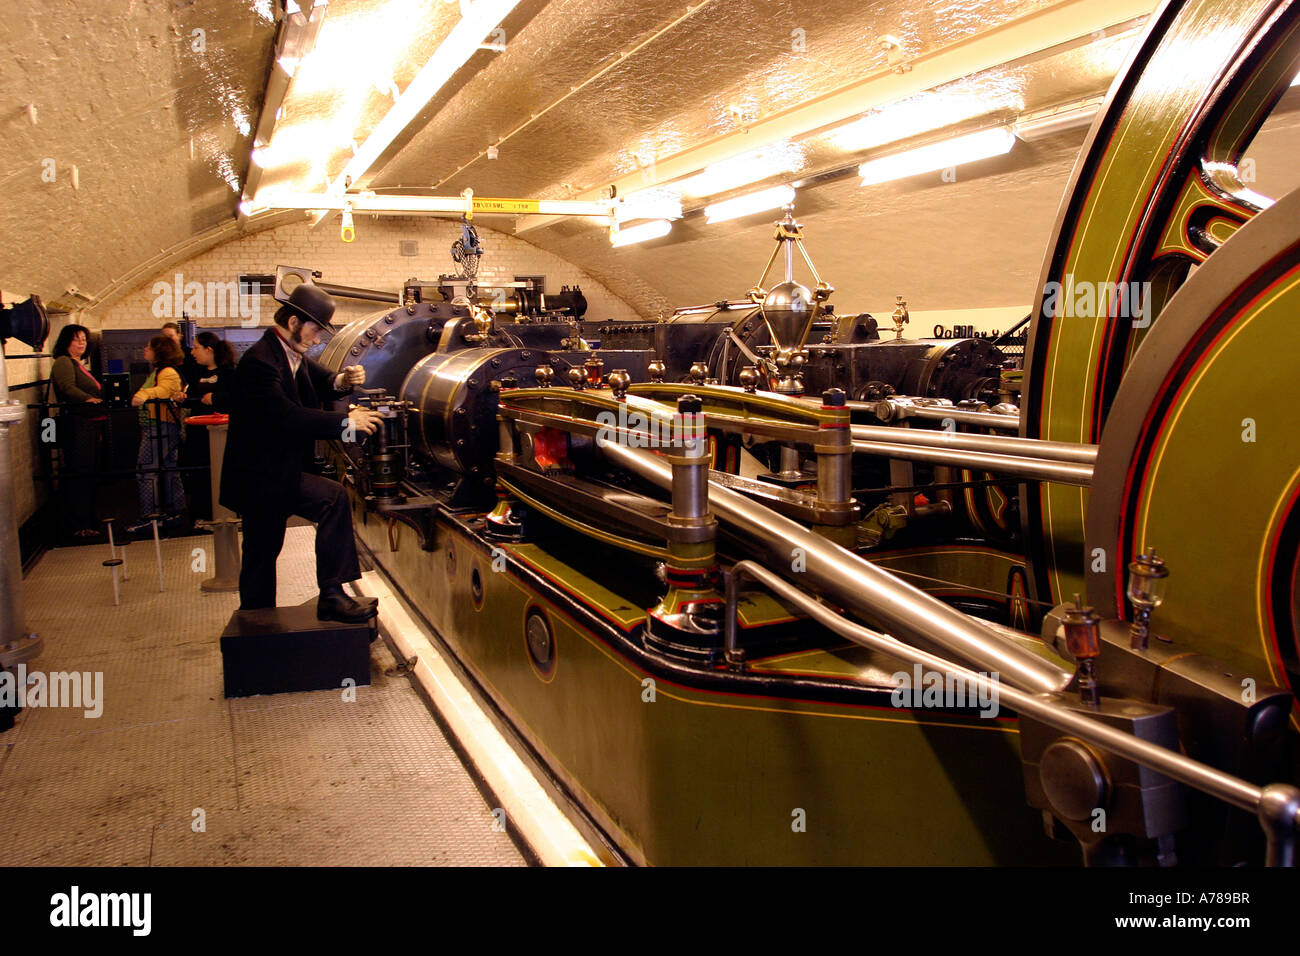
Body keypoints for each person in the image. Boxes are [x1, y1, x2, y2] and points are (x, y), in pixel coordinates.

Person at [219, 284, 384, 623]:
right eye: (314, 329)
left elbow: (320, 380)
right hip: (260, 477)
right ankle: (330, 597)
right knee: (330, 501)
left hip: (273, 473)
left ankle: (258, 620)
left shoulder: (288, 355)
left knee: (261, 555)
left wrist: (343, 379)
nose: (317, 338)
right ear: (294, 321)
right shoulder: (260, 363)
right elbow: (285, 416)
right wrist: (345, 421)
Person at [49, 324, 107, 539]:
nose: (82, 343)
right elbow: (66, 386)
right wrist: (87, 398)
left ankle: (88, 519)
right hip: (77, 425)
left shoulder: (78, 363)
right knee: (80, 473)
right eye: (77, 339)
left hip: (89, 424)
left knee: (89, 473)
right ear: (66, 342)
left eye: (84, 339)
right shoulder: (63, 362)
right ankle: (78, 523)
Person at [127, 335, 187, 532]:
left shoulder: (167, 372)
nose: (145, 349)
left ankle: (150, 516)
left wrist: (143, 395)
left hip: (161, 425)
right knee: (168, 468)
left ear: (159, 351)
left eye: (148, 347)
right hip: (163, 424)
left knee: (146, 469)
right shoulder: (162, 370)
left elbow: (164, 390)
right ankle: (174, 512)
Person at [179, 332, 236, 520]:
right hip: (199, 434)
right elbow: (193, 398)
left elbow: (240, 398)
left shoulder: (229, 373)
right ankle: (202, 513)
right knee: (199, 475)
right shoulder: (198, 374)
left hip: (220, 434)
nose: (193, 352)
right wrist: (183, 399)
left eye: (196, 348)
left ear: (209, 349)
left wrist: (216, 398)